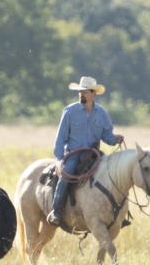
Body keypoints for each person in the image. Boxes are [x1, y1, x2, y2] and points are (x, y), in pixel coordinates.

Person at [47, 76, 124, 226]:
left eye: (85, 91)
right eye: (80, 91)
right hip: (74, 154)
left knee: (113, 174)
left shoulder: (101, 113)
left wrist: (115, 139)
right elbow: (60, 138)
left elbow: (106, 135)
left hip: (94, 154)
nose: (81, 93)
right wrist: (58, 159)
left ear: (93, 93)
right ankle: (56, 210)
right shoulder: (70, 111)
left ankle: (119, 212)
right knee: (66, 174)